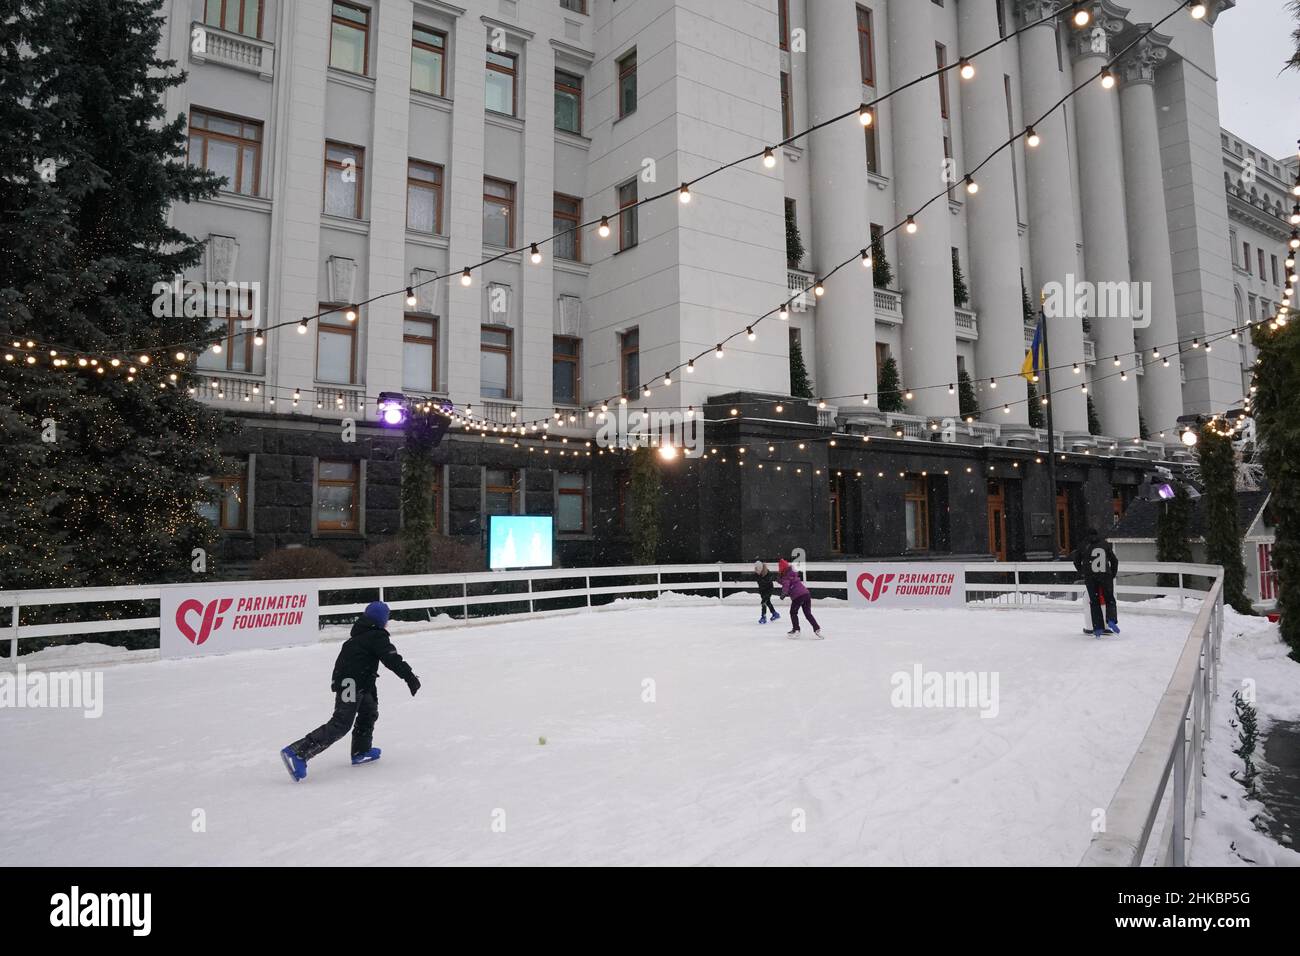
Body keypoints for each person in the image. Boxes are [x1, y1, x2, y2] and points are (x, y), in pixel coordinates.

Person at [280, 601, 420, 782]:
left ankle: (361, 750)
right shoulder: (376, 636)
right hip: (351, 683)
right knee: (341, 723)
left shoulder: (359, 635)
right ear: (380, 620)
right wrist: (409, 676)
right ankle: (298, 751)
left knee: (369, 712)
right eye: (386, 618)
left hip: (359, 682)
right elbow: (391, 658)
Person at [1072, 528, 1120, 639]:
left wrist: (1083, 572)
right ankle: (1111, 620)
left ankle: (1098, 628)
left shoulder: (1083, 545)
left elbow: (1076, 561)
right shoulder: (1105, 544)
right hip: (1105, 575)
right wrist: (1112, 573)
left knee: (1094, 602)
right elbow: (1114, 560)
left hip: (1091, 577)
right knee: (1109, 599)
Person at [777, 558, 822, 639]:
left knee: (793, 612)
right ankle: (816, 628)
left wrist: (783, 593)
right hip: (806, 594)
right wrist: (780, 580)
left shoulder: (786, 576)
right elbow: (787, 582)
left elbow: (786, 585)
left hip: (798, 597)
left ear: (782, 569)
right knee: (808, 613)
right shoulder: (792, 574)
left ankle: (796, 629)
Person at [754, 560, 780, 625]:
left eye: (759, 569)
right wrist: (739, 579)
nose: (757, 570)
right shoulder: (756, 574)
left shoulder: (768, 573)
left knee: (764, 602)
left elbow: (769, 580)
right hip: (762, 591)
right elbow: (750, 577)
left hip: (769, 590)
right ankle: (774, 613)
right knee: (767, 602)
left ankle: (763, 617)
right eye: (756, 569)